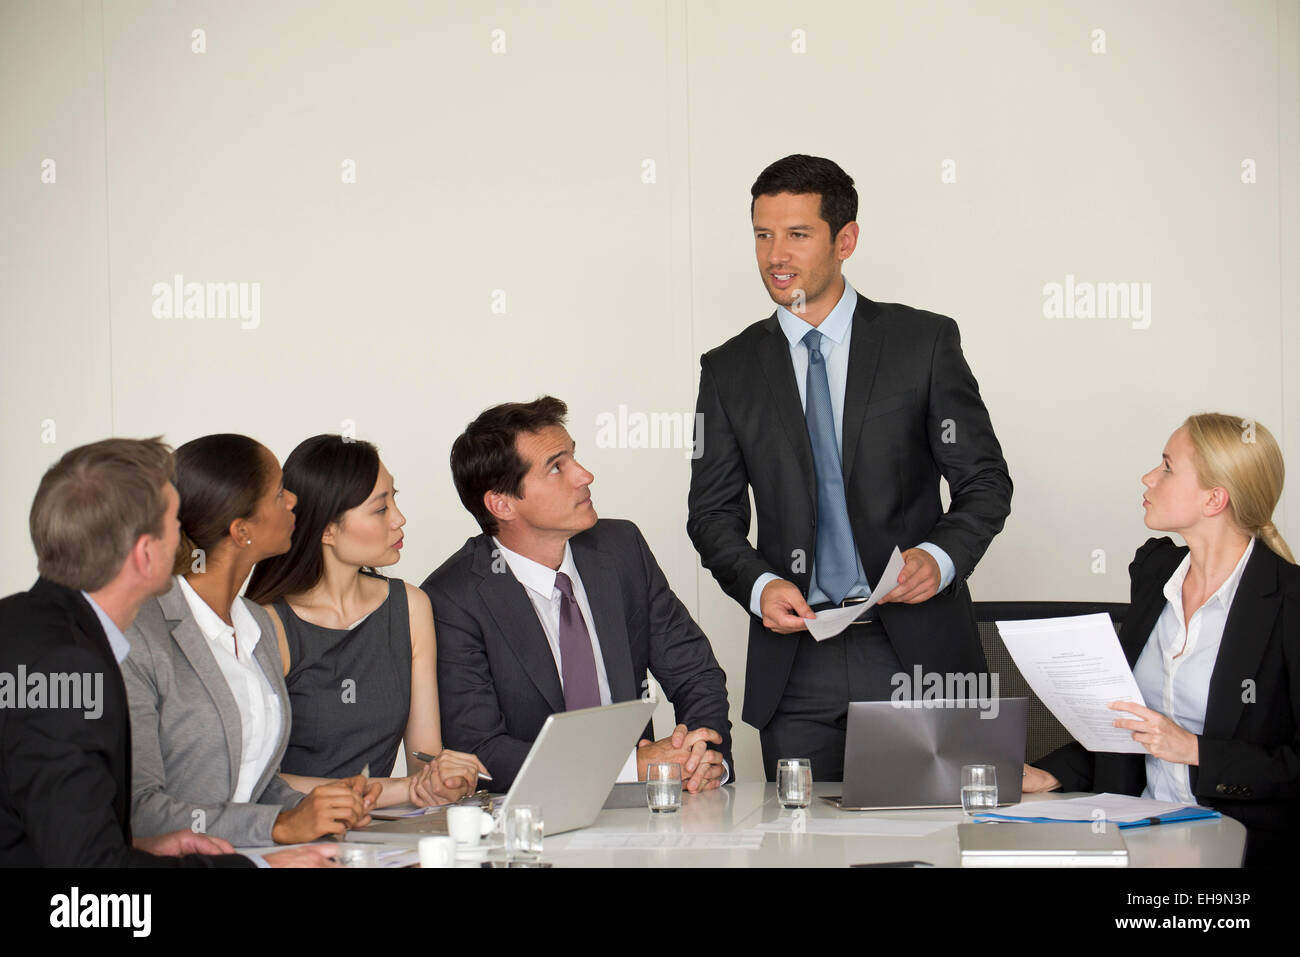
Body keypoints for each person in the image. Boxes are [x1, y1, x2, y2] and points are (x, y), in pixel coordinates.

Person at [688, 154, 1013, 781]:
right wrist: (760, 587)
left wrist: (940, 558)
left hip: (917, 650)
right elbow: (712, 515)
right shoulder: (727, 370)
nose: (776, 256)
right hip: (796, 663)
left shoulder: (924, 343)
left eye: (797, 234)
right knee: (800, 848)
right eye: (763, 235)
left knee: (936, 842)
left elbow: (985, 480)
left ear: (846, 239)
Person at [0, 437, 335, 867]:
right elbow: (89, 884)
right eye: (176, 522)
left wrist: (140, 847)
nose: (188, 538)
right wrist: (261, 867)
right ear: (145, 554)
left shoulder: (22, 626)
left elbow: (62, 833)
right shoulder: (68, 667)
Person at [1025, 414, 1300, 868]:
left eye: (1168, 466)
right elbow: (1135, 727)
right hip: (1135, 832)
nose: (1148, 477)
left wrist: (1194, 750)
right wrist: (1050, 774)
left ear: (1215, 498)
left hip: (1237, 846)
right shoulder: (1155, 573)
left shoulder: (1287, 601)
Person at [423, 397, 734, 792]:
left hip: (648, 815)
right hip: (533, 824)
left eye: (574, 457)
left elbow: (694, 672)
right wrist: (630, 767)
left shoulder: (621, 548)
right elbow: (481, 751)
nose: (585, 475)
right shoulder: (452, 598)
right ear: (501, 504)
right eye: (557, 467)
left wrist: (700, 756)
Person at [123, 434, 381, 846]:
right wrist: (279, 827)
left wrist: (316, 807)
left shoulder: (256, 623)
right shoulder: (140, 633)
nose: (294, 501)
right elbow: (140, 811)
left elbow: (250, 786)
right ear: (241, 530)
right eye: (279, 494)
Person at [246, 435, 485, 806]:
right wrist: (403, 791)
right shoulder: (263, 624)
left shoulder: (410, 605)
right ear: (326, 529)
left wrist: (444, 778)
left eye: (395, 498)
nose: (399, 518)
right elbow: (254, 785)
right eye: (380, 508)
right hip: (285, 841)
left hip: (379, 836)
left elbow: (424, 760)